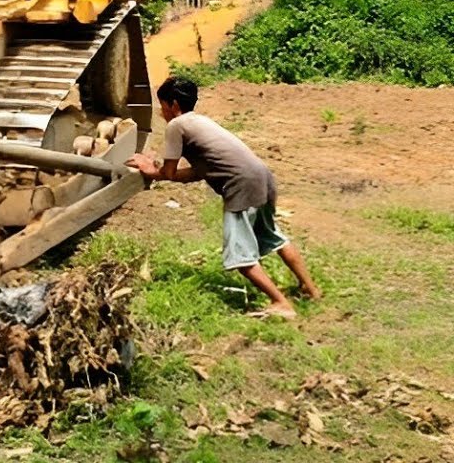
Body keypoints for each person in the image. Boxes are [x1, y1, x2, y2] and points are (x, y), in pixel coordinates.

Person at [126, 76, 321, 318]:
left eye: (163, 106)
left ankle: (280, 303)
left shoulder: (176, 125)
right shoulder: (201, 122)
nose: (161, 112)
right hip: (262, 177)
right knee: (273, 236)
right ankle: (310, 289)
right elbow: (196, 172)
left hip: (241, 186)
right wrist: (161, 172)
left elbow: (168, 172)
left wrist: (148, 166)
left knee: (240, 257)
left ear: (173, 104)